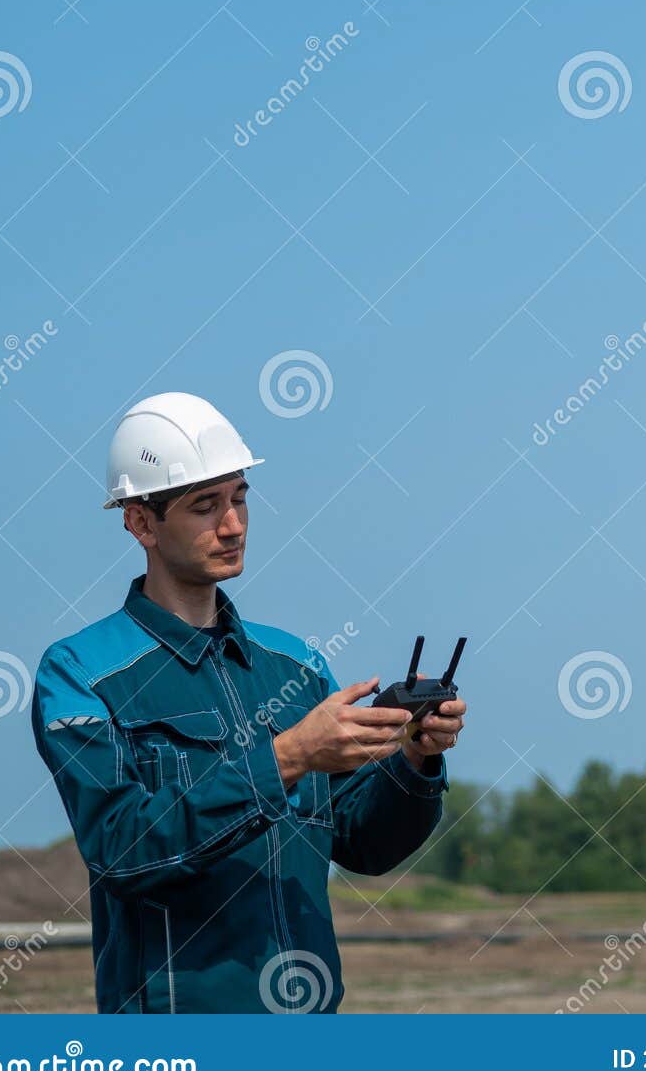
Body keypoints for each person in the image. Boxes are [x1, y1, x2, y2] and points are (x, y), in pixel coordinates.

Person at [31, 392, 466, 1014]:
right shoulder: (80, 672)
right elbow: (122, 851)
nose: (233, 524)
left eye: (239, 498)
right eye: (204, 506)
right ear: (140, 523)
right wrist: (287, 757)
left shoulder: (296, 666)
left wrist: (416, 763)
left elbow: (362, 845)